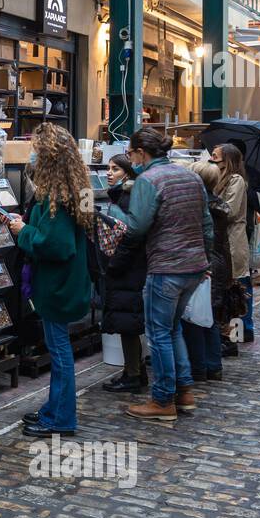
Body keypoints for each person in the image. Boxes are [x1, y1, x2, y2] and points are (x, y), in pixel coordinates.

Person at [106, 127, 213, 423]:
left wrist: (112, 213)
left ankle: (163, 399)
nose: (130, 159)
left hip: (166, 266)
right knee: (173, 328)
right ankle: (184, 392)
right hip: (193, 265)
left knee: (159, 334)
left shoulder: (148, 180)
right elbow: (206, 223)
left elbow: (136, 226)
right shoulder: (191, 176)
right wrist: (207, 261)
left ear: (142, 152)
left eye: (130, 154)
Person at [7, 123, 93, 438]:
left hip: (57, 287)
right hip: (69, 285)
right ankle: (54, 410)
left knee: (60, 354)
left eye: (35, 150)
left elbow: (56, 245)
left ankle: (61, 419)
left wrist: (23, 231)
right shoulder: (78, 189)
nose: (30, 155)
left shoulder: (57, 198)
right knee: (61, 352)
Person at [96, 154, 148, 393]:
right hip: (127, 266)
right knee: (128, 319)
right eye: (108, 168)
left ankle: (133, 375)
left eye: (115, 169)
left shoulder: (127, 198)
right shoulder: (122, 195)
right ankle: (133, 370)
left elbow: (130, 236)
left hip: (127, 268)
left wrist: (114, 263)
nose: (109, 173)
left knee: (128, 321)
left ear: (126, 173)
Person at [182, 161, 235, 383]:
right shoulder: (220, 206)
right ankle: (213, 365)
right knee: (209, 315)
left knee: (194, 316)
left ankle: (199, 366)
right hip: (218, 262)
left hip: (204, 263)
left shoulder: (201, 208)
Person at [203, 144, 249, 357]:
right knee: (221, 290)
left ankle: (233, 340)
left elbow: (228, 211)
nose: (211, 159)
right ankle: (224, 337)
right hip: (219, 241)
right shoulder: (218, 179)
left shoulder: (236, 180)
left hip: (231, 240)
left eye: (215, 156)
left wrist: (208, 203)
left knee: (233, 291)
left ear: (227, 160)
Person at [231, 139, 260, 343]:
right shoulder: (219, 174)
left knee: (242, 281)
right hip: (225, 237)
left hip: (244, 233)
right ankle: (231, 330)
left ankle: (244, 328)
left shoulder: (253, 175)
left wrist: (245, 190)